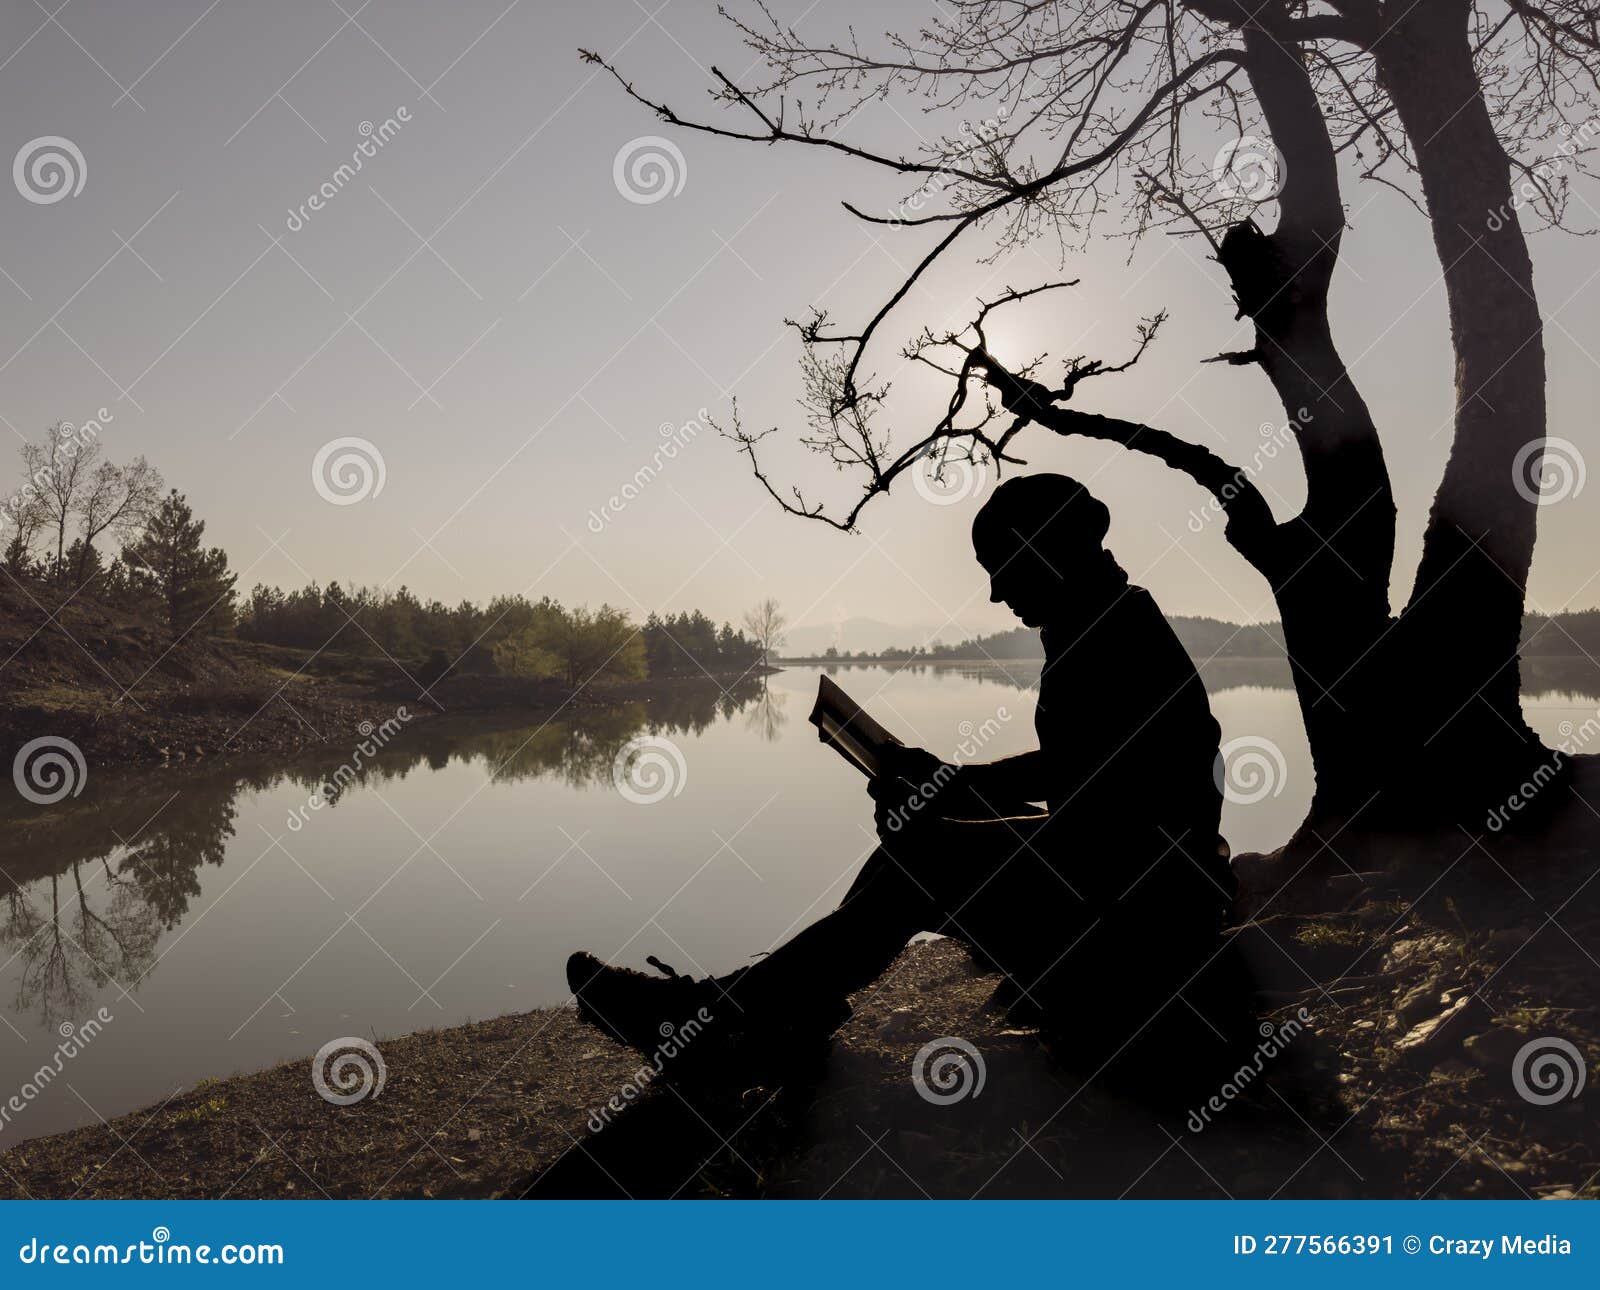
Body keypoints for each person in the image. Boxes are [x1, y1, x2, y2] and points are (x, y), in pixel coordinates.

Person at [568, 474, 1237, 1071]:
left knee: (920, 859)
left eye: (1003, 567)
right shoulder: (1102, 622)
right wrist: (943, 789)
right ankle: (777, 1011)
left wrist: (946, 797)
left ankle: (718, 1018)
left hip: (1149, 924)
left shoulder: (1116, 635)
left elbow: (1095, 803)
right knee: (910, 855)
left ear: (1050, 550)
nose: (997, 591)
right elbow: (1082, 792)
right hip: (1132, 887)